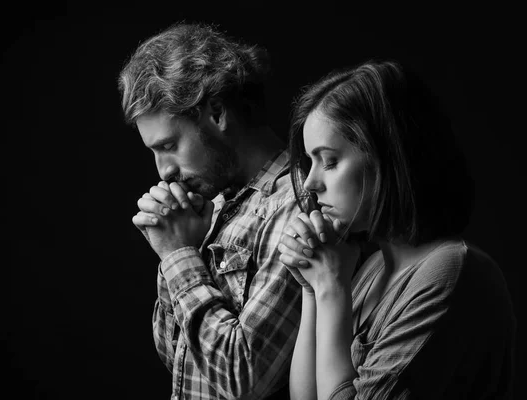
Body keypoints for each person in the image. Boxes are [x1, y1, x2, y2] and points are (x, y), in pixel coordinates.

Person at [277, 59, 516, 399]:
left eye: (329, 161)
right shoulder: (374, 268)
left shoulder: (448, 271)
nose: (311, 184)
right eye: (310, 162)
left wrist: (331, 288)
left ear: (388, 158)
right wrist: (313, 288)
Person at [117, 22, 305, 399]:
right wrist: (177, 246)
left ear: (217, 113)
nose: (163, 170)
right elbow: (177, 357)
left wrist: (177, 253)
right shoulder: (213, 202)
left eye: (169, 145)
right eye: (153, 152)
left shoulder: (294, 207)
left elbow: (242, 380)